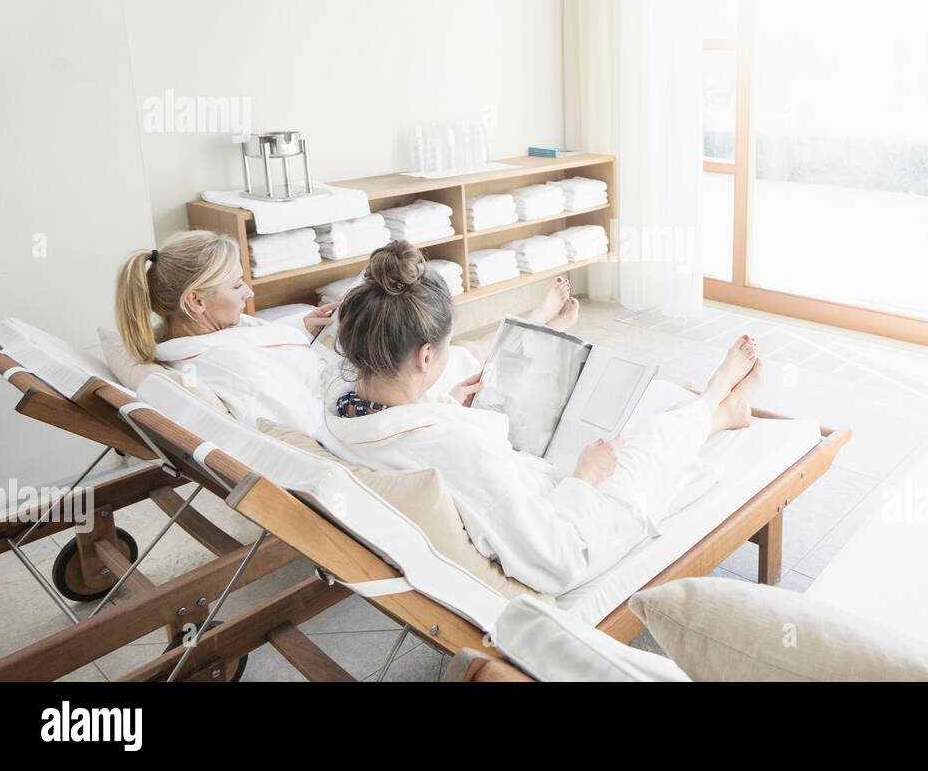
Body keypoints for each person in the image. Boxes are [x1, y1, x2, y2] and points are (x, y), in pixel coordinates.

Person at [322, 241, 765, 595]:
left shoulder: (339, 408)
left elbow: (416, 443)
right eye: (445, 349)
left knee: (642, 432)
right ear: (424, 356)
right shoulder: (461, 451)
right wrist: (586, 479)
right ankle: (714, 403)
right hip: (572, 519)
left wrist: (445, 408)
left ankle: (710, 412)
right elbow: (558, 560)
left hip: (497, 473)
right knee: (646, 447)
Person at [114, 230, 580, 434]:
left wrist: (301, 328)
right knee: (468, 353)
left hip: (349, 370)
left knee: (464, 349)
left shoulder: (193, 342)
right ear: (195, 301)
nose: (248, 294)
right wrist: (437, 404)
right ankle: (540, 323)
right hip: (373, 392)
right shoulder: (225, 367)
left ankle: (537, 320)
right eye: (236, 285)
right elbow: (325, 429)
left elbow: (258, 342)